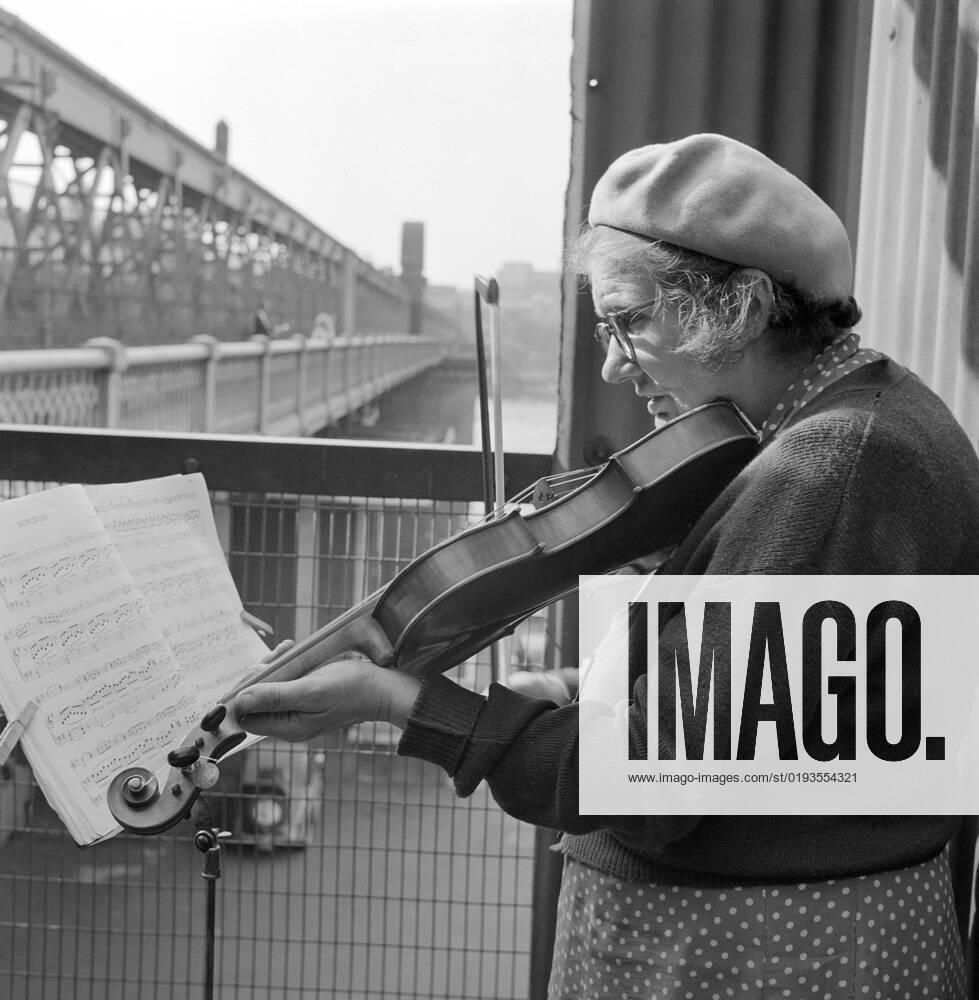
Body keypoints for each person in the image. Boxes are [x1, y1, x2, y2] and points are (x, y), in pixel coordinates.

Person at [231, 134, 979, 999]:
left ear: (735, 304)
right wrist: (577, 688)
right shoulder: (854, 425)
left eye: (630, 321)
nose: (612, 365)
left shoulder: (831, 467)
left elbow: (657, 782)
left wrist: (402, 703)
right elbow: (799, 727)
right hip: (775, 937)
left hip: (758, 956)